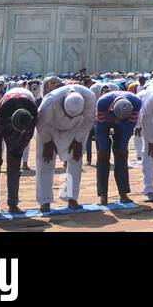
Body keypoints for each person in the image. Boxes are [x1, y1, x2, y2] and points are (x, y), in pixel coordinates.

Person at [35, 82, 96, 213]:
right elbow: (41, 123)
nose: (68, 117)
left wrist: (78, 140)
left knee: (75, 159)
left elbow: (89, 120)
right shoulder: (50, 101)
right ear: (62, 103)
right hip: (49, 128)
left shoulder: (89, 97)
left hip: (75, 128)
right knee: (45, 162)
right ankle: (44, 201)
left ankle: (71, 197)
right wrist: (47, 142)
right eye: (68, 114)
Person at [0, 86, 37, 216]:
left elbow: (27, 137)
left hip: (20, 127)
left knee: (14, 166)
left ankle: (13, 204)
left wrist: (17, 153)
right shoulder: (0, 115)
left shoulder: (32, 117)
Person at [94, 88, 142, 205]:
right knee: (103, 158)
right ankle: (103, 195)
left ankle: (123, 194)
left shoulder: (136, 103)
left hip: (124, 126)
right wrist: (103, 147)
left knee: (121, 157)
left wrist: (123, 146)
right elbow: (100, 128)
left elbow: (129, 127)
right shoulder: (102, 103)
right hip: (104, 123)